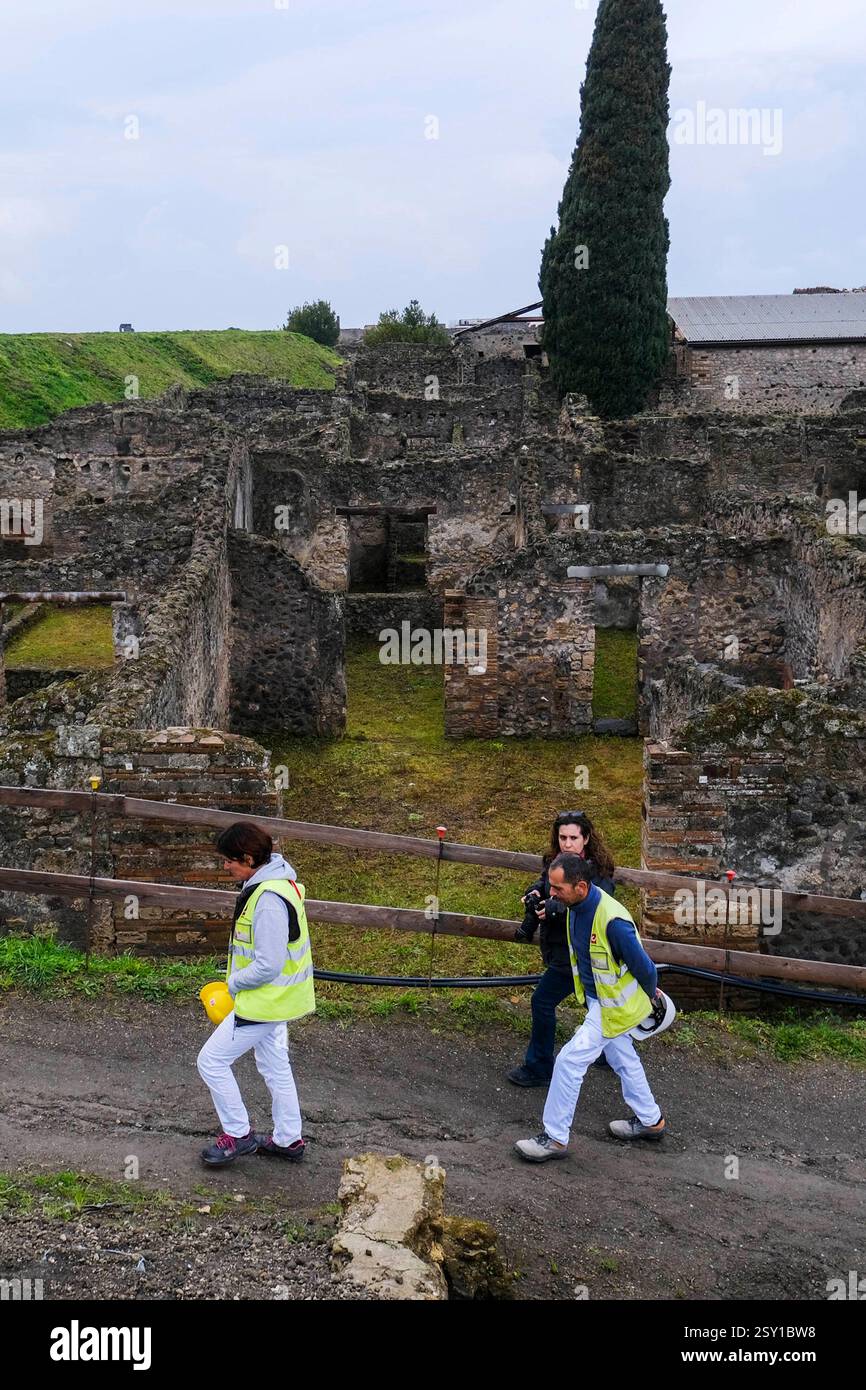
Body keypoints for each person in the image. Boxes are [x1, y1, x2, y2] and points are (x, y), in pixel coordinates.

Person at [515, 853, 666, 1162]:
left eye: (558, 889)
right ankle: (651, 1121)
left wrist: (651, 997)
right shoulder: (577, 906)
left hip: (613, 1009)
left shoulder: (613, 921)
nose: (552, 893)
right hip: (603, 1002)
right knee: (622, 1056)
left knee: (569, 1062)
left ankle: (554, 1139)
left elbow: (646, 969)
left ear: (580, 886)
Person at [197, 822, 315, 1167]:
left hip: (261, 1003)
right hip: (279, 1001)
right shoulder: (278, 885)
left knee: (211, 1061)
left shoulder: (267, 901)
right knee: (275, 1066)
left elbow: (269, 964)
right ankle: (288, 1140)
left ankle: (237, 1135)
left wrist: (230, 985)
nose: (225, 866)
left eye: (229, 860)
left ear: (248, 858)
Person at [508, 811, 617, 1088]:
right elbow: (545, 883)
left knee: (543, 1001)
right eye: (562, 837)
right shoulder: (555, 863)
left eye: (573, 838)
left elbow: (599, 905)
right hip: (562, 950)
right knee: (596, 1002)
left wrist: (555, 909)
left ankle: (540, 1066)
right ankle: (611, 1053)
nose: (567, 843)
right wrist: (534, 892)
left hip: (583, 953)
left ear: (586, 839)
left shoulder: (597, 872)